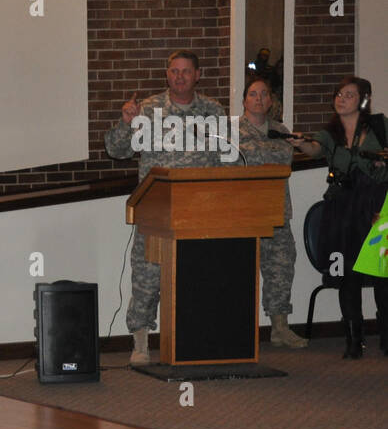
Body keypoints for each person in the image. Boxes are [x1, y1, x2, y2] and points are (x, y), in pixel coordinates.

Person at [106, 50, 229, 364]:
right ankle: (141, 342)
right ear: (167, 74)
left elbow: (226, 158)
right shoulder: (147, 109)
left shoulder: (213, 111)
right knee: (147, 275)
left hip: (198, 212)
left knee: (197, 276)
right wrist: (125, 122)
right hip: (155, 210)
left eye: (186, 71)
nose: (180, 77)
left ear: (198, 75)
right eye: (174, 71)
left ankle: (196, 339)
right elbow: (116, 150)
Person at [293, 76, 388, 357]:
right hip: (342, 207)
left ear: (363, 100)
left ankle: (386, 339)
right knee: (347, 275)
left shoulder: (380, 127)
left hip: (375, 208)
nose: (341, 98)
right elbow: (313, 148)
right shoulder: (329, 133)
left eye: (349, 94)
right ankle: (353, 341)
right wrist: (300, 142)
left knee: (383, 276)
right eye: (338, 94)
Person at [237, 73, 307, 348]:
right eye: (253, 93)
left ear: (270, 101)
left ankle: (279, 328)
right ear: (244, 100)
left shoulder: (281, 130)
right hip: (243, 215)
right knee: (240, 274)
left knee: (281, 270)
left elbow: (287, 162)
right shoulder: (231, 131)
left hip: (276, 213)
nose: (259, 98)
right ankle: (239, 331)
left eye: (264, 94)